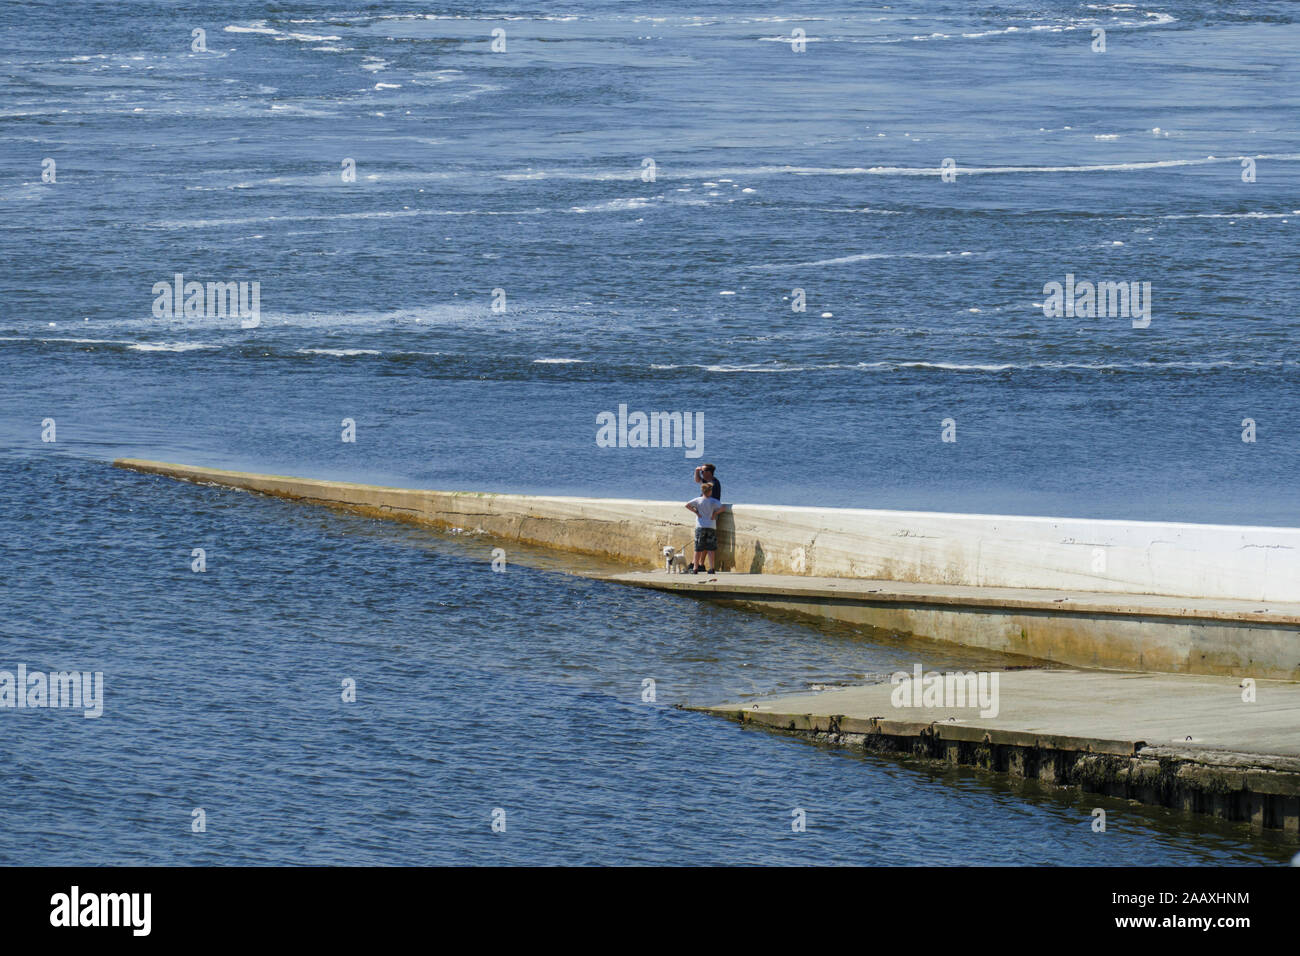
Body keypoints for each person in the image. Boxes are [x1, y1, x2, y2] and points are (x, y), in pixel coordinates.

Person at [685, 482, 729, 574]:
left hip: (700, 526)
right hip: (711, 526)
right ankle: (712, 568)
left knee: (698, 549)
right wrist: (715, 513)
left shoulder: (698, 500)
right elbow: (723, 508)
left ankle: (695, 568)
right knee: (711, 549)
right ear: (710, 491)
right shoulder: (713, 501)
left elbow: (687, 505)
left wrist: (696, 512)